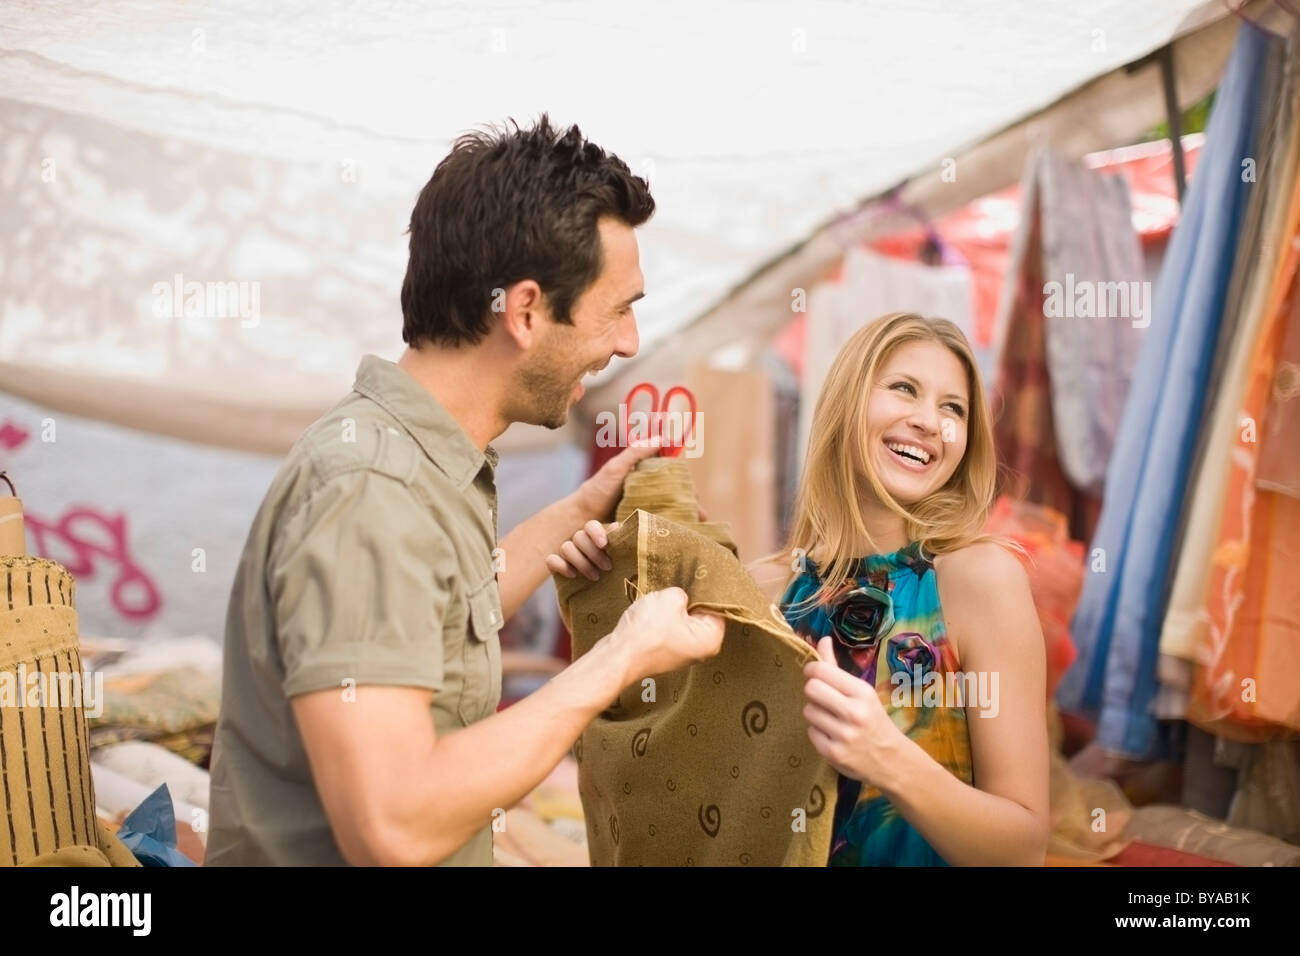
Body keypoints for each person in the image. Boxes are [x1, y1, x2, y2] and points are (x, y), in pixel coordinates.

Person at [206, 116, 724, 867]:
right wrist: (621, 656)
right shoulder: (371, 494)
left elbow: (440, 615)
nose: (628, 342)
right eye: (618, 309)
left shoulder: (412, 463)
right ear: (522, 312)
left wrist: (574, 517)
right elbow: (394, 823)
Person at [551, 312, 1049, 866]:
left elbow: (1023, 848)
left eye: (953, 408)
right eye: (905, 389)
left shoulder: (978, 578)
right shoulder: (768, 586)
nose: (930, 422)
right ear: (846, 402)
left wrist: (887, 759)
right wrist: (605, 591)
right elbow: (672, 758)